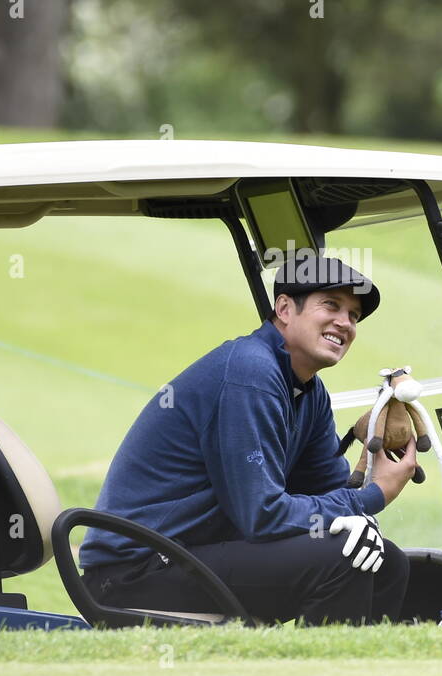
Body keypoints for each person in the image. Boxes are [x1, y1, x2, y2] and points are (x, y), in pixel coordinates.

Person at [77, 258, 418, 624]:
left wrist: (373, 476)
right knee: (341, 556)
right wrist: (375, 494)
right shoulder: (250, 372)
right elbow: (264, 515)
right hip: (133, 572)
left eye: (353, 315)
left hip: (193, 554)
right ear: (285, 309)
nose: (345, 323)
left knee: (385, 559)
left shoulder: (310, 392)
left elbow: (329, 492)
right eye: (331, 305)